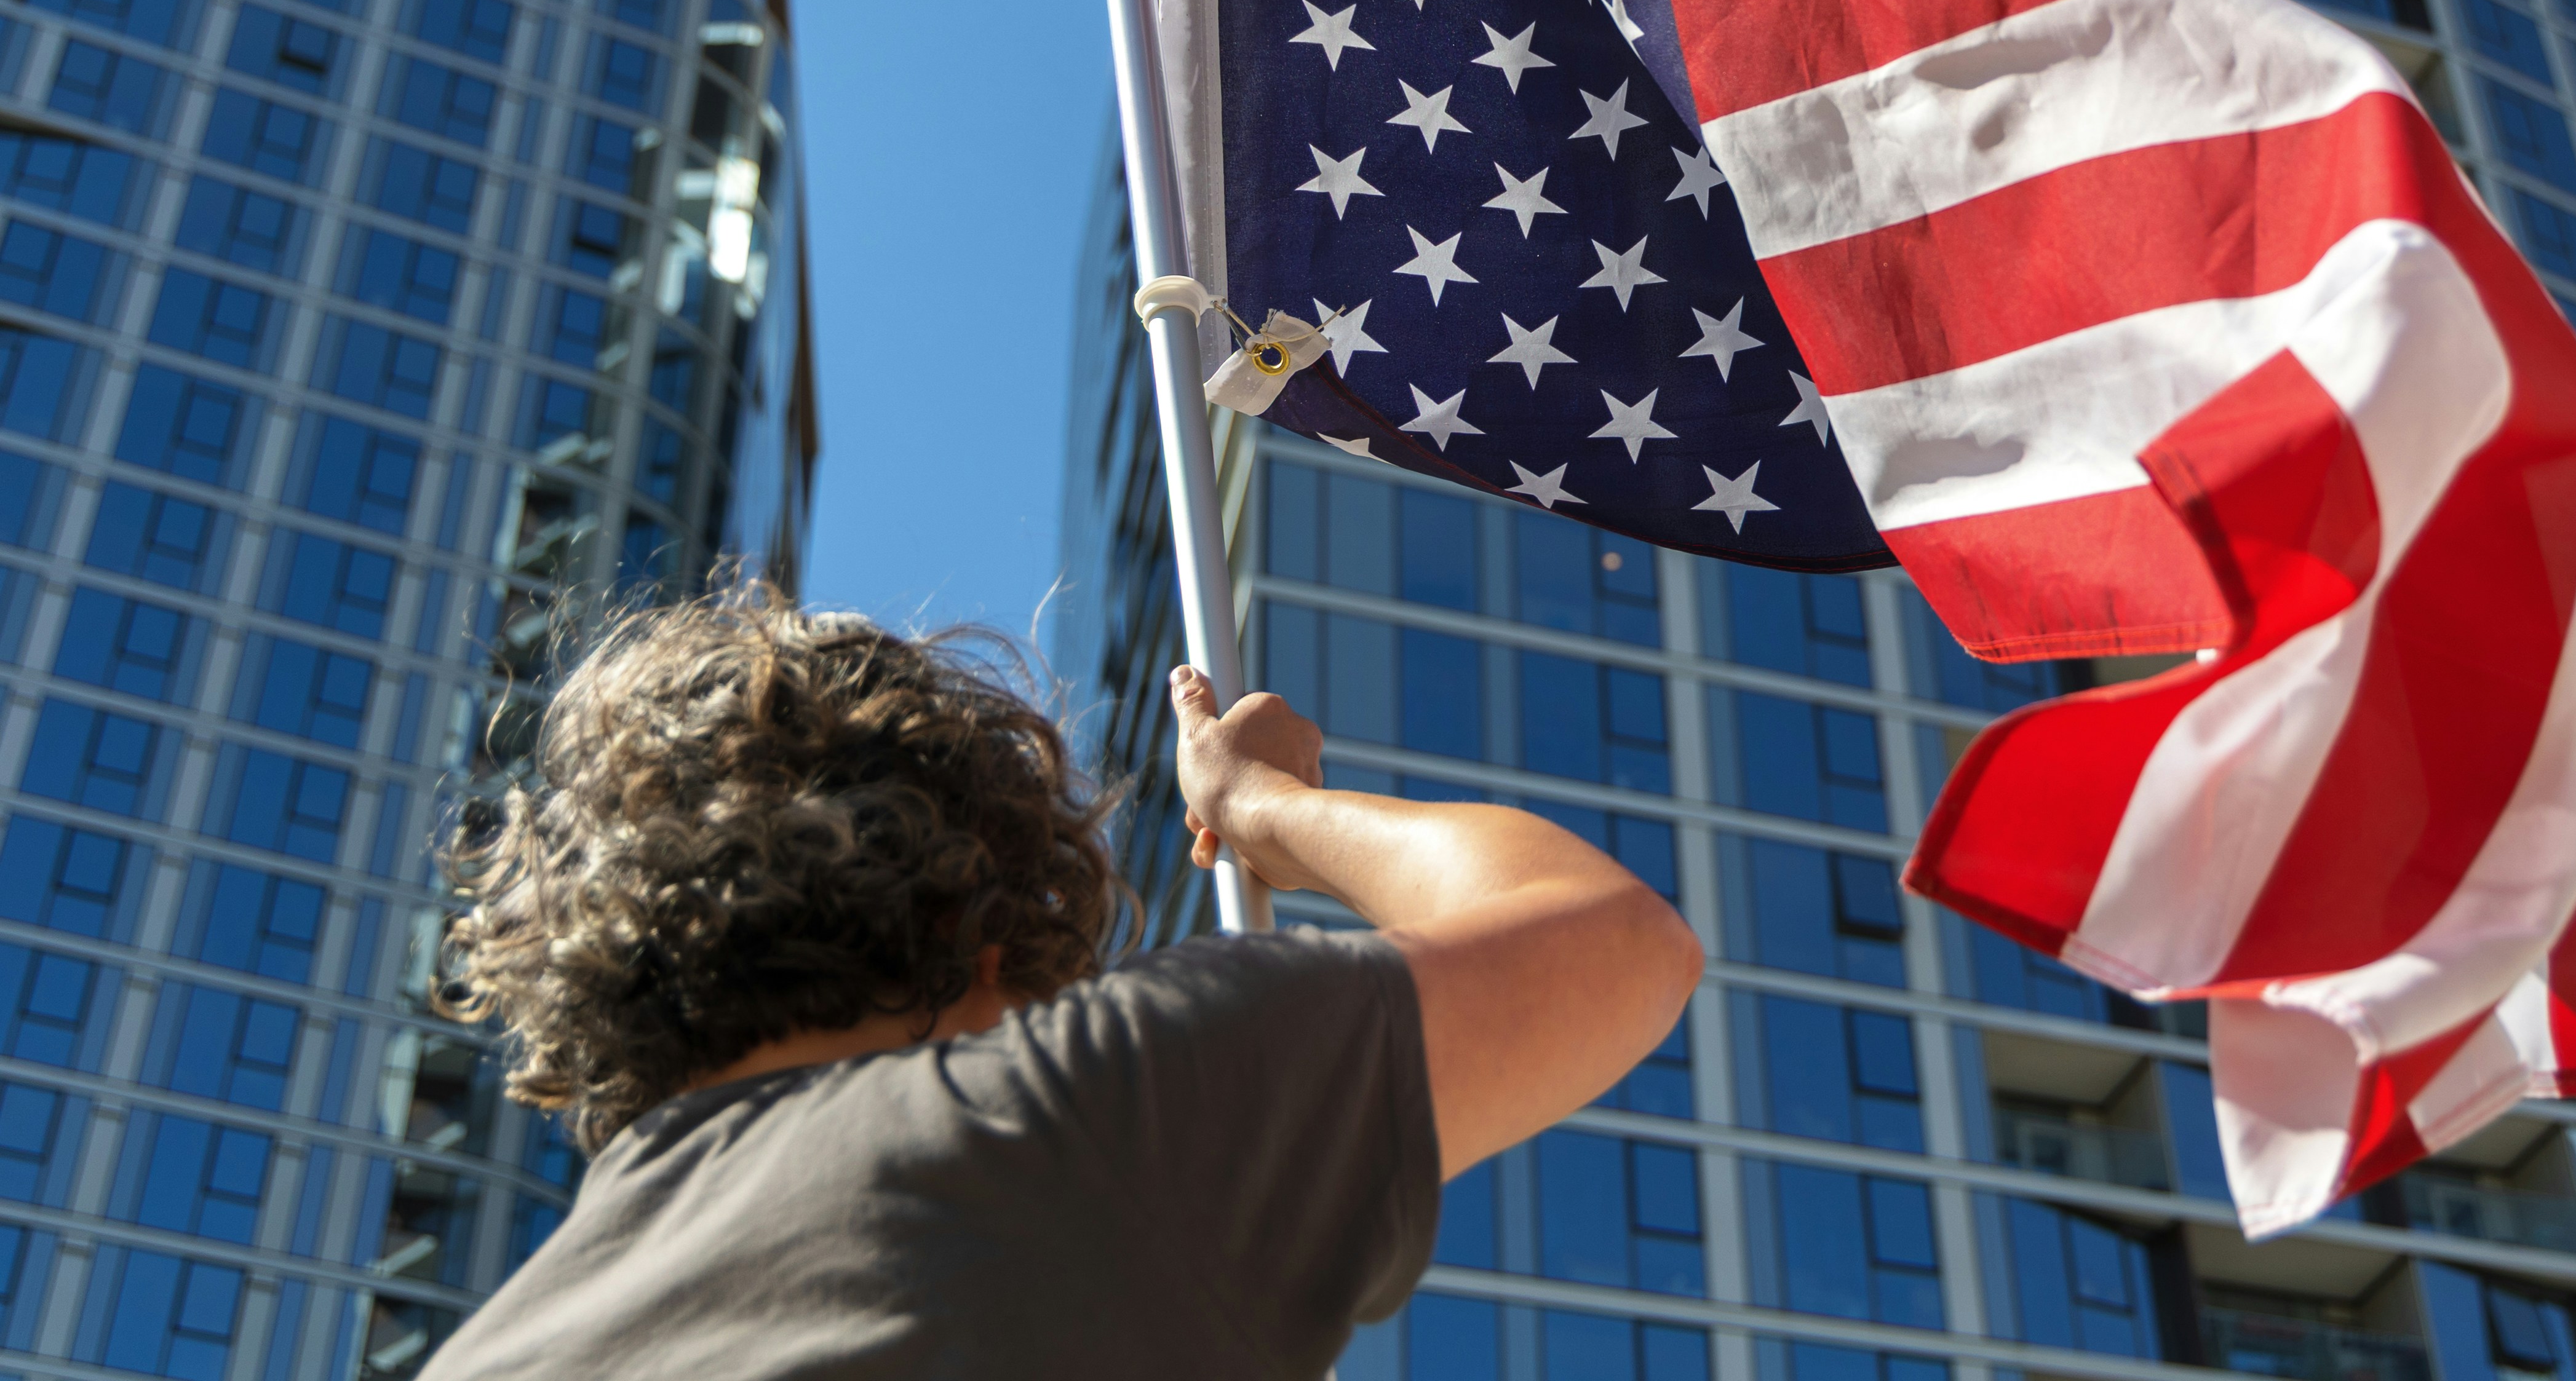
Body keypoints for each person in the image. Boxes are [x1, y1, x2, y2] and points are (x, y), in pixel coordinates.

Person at [428, 588, 1700, 1377]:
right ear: (980, 929)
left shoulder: (487, 1349)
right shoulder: (1040, 1129)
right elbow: (1609, 941)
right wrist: (1265, 809)